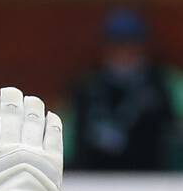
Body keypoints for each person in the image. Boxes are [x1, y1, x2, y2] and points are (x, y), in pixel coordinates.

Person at [65, 9, 183, 172]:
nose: (124, 53)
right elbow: (68, 137)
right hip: (93, 180)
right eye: (117, 46)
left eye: (131, 45)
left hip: (153, 180)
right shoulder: (87, 86)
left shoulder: (165, 83)